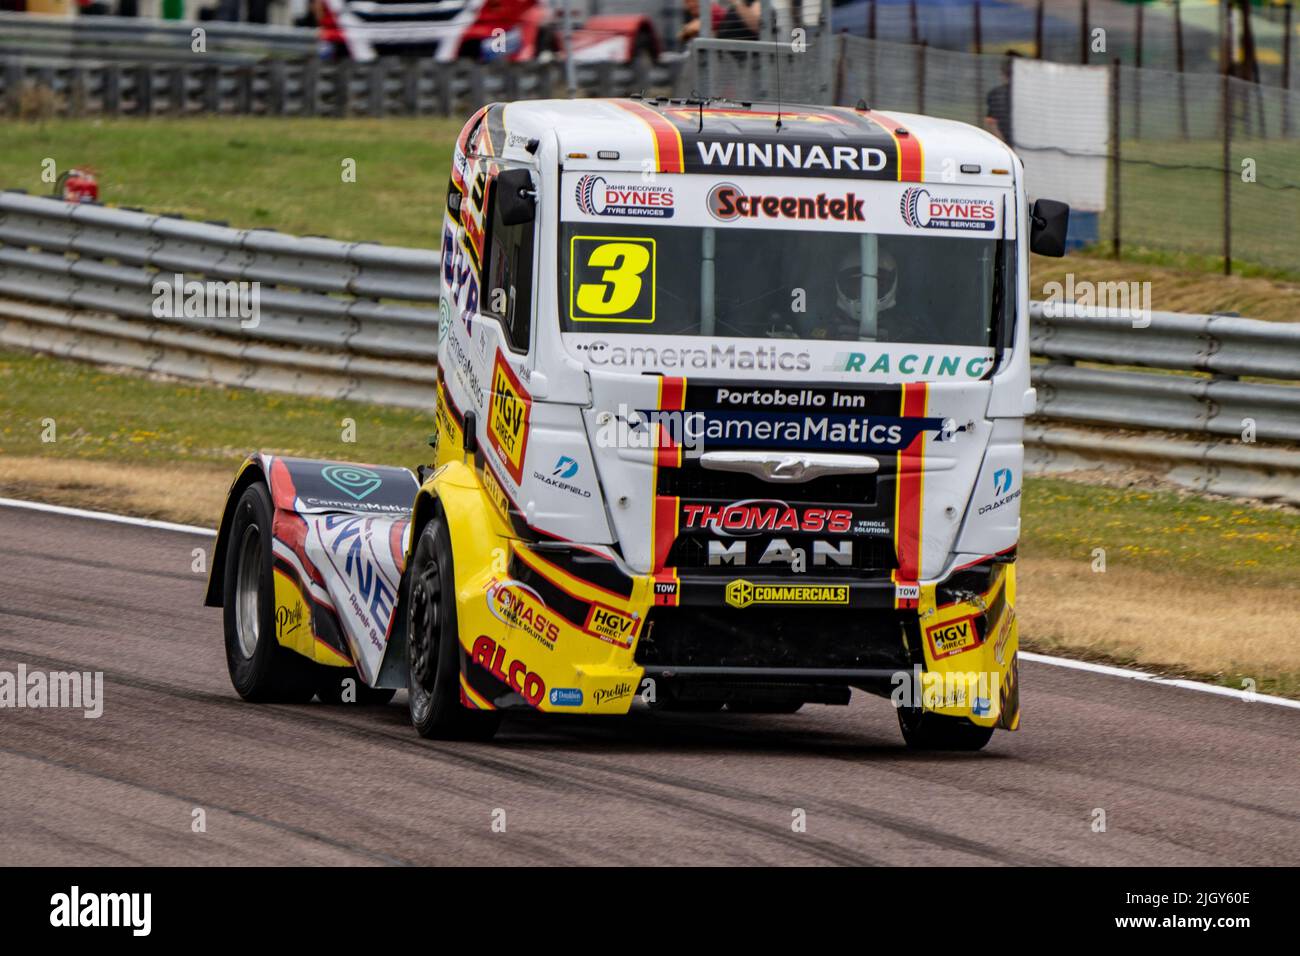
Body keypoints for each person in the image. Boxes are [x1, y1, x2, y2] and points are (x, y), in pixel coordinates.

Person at [680, 0, 762, 44]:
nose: (690, 5)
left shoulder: (753, 4)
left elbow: (757, 25)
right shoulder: (733, 9)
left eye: (692, 1)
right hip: (726, 60)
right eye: (687, 2)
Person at [984, 50, 1020, 146]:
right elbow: (990, 122)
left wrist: (1004, 145)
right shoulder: (996, 94)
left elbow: (990, 123)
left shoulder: (994, 94)